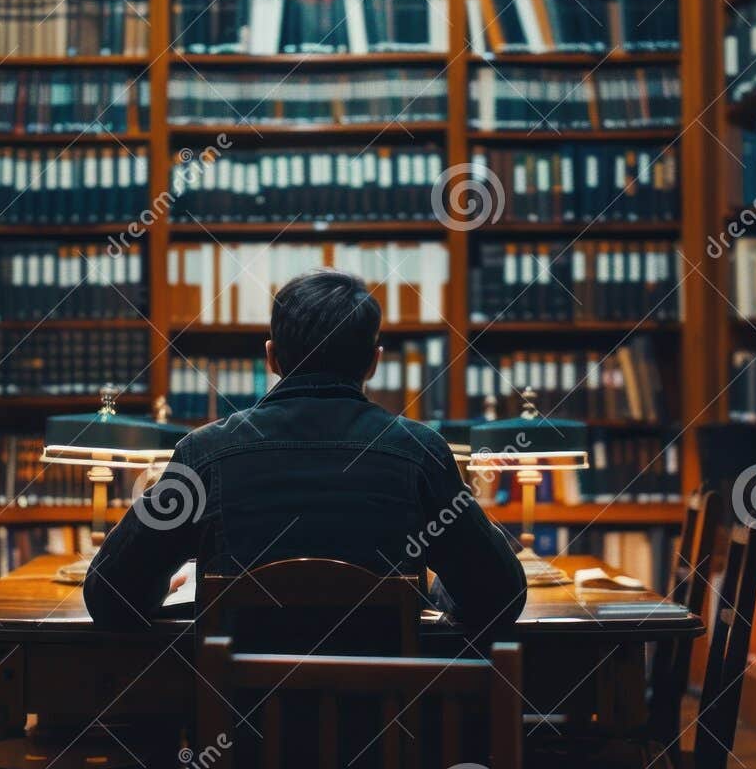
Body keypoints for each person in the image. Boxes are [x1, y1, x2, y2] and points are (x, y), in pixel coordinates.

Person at [83, 267, 527, 634]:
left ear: (272, 358)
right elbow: (501, 596)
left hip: (236, 732)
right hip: (387, 730)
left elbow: (109, 593)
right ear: (373, 361)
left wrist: (177, 584)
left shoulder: (203, 453)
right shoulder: (420, 451)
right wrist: (429, 587)